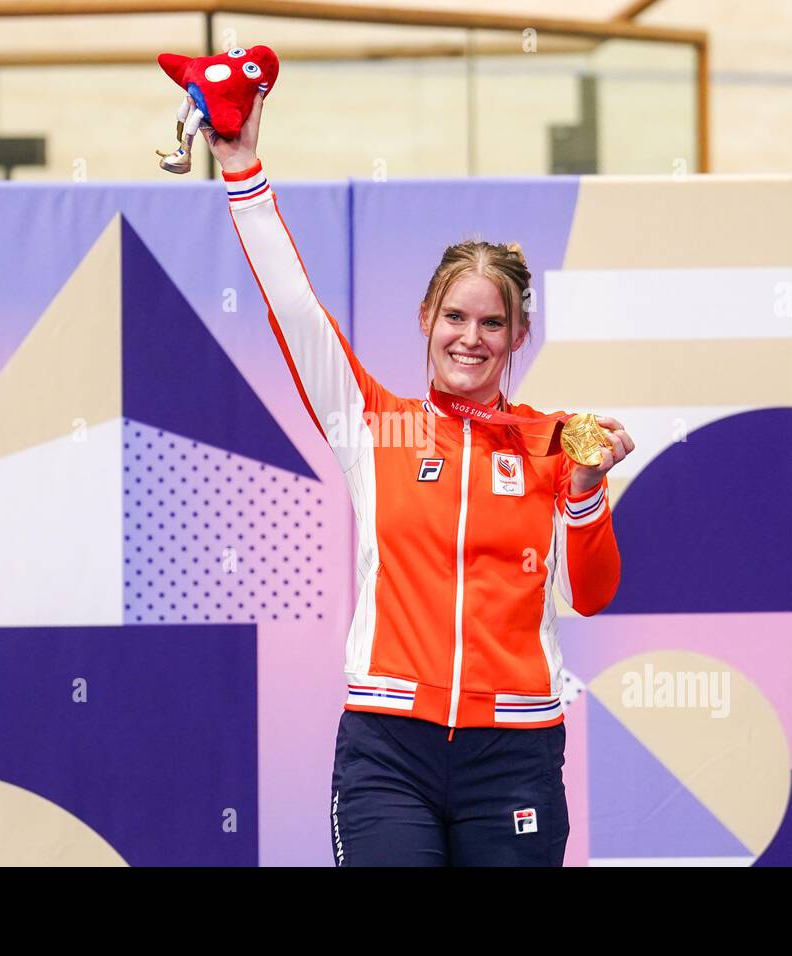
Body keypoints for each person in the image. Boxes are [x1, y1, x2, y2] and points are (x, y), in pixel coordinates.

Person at [199, 92, 632, 866]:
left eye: (492, 323)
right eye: (455, 318)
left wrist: (586, 488)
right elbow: (295, 309)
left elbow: (593, 595)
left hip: (515, 754)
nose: (471, 339)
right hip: (388, 751)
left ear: (518, 336)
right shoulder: (375, 423)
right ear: (426, 317)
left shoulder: (555, 443)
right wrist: (241, 168)